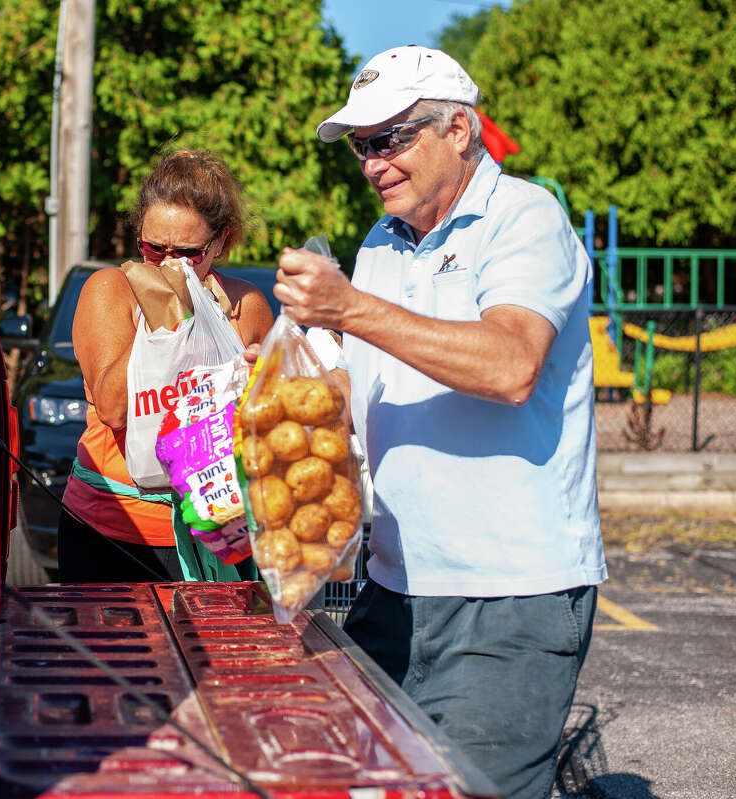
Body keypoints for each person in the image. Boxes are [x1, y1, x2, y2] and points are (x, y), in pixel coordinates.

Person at [270, 46, 607, 799]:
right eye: (362, 145)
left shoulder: (524, 216)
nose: (372, 162)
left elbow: (512, 365)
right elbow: (356, 401)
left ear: (458, 130)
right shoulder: (380, 244)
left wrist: (348, 307)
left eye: (392, 138)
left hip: (510, 599)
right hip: (393, 590)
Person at [58, 149, 274, 583]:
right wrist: (170, 318)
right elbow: (115, 409)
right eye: (153, 249)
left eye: (189, 253)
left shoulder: (245, 306)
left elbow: (267, 422)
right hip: (113, 528)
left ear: (220, 243)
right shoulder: (110, 290)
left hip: (217, 529)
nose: (170, 264)